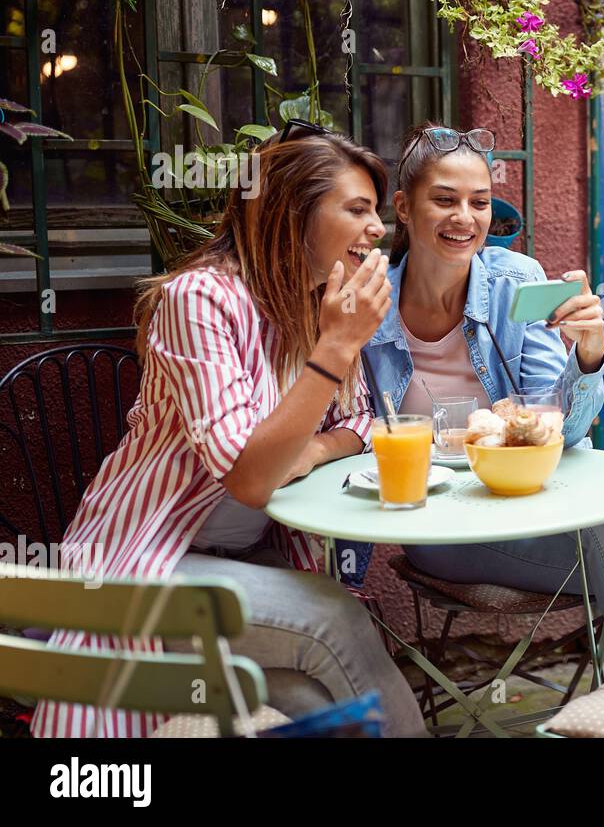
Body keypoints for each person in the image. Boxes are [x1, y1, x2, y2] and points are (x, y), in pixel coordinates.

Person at [31, 125, 427, 737]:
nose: (378, 228)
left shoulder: (313, 301)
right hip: (144, 558)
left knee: (305, 692)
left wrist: (308, 449)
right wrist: (337, 347)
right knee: (335, 622)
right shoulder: (201, 301)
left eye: (376, 212)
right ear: (291, 212)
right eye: (357, 209)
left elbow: (360, 420)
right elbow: (248, 477)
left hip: (250, 557)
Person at [361, 123, 604, 657]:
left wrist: (588, 355)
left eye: (479, 202)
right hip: (438, 524)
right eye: (444, 200)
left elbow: (564, 429)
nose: (465, 218)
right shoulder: (368, 304)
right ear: (404, 207)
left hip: (532, 509)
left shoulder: (518, 282)